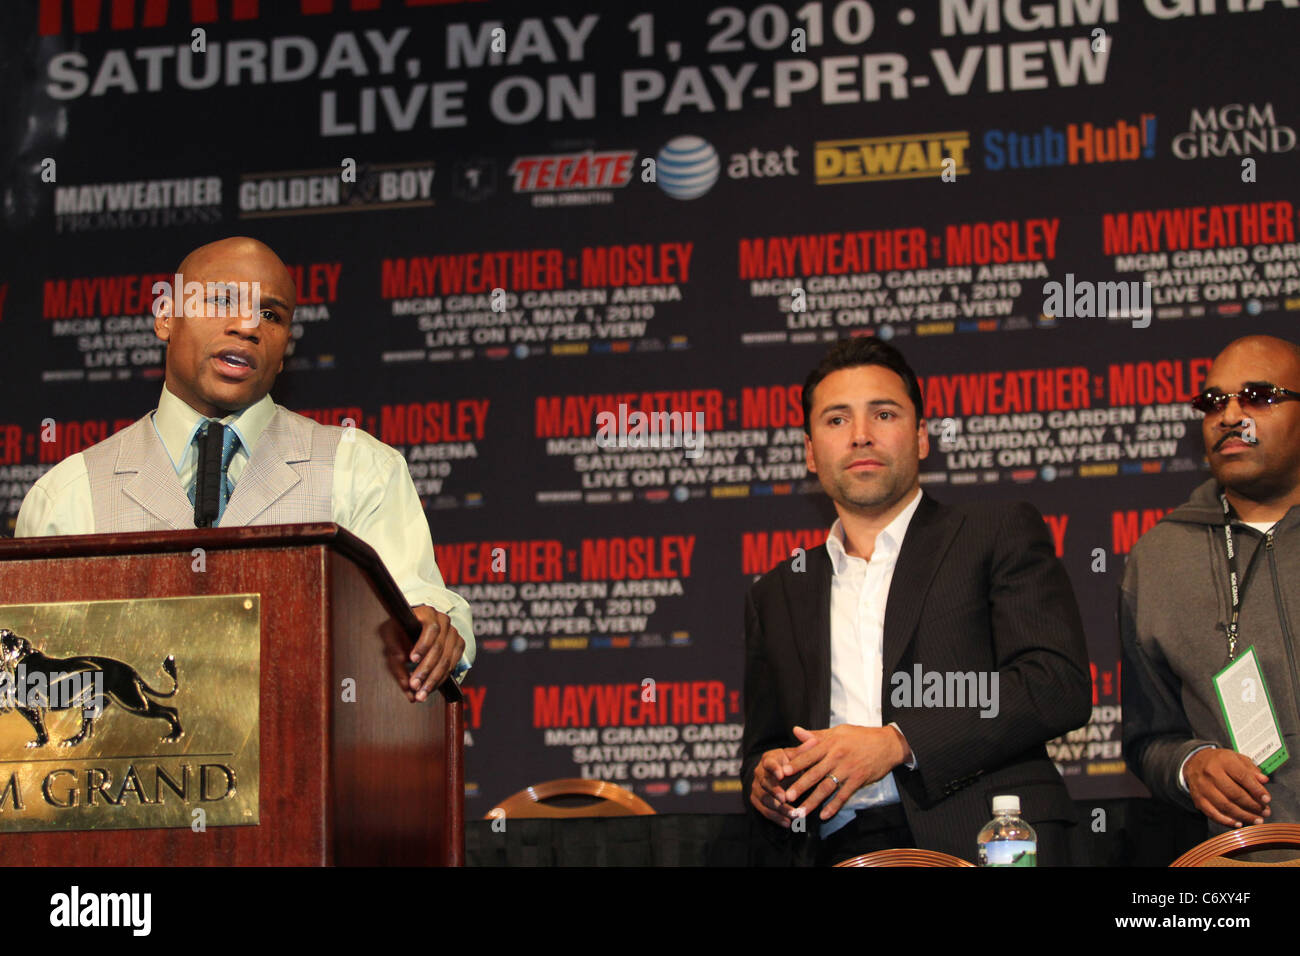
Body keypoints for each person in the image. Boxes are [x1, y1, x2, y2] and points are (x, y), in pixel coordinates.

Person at [16, 237, 472, 696]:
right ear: (166, 317)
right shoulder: (70, 495)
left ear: (284, 350)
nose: (248, 326)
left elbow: (425, 616)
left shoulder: (359, 470)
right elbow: (39, 679)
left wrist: (431, 632)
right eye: (220, 300)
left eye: (271, 315)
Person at [742, 338, 1091, 865]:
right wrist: (766, 778)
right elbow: (762, 746)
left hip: (988, 838)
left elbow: (1055, 683)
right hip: (833, 850)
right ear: (810, 450)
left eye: (883, 414)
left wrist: (898, 742)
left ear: (922, 436)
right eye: (836, 420)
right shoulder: (776, 592)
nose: (861, 435)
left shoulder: (994, 533)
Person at [1122, 334, 1300, 833]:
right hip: (1253, 857)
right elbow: (1147, 737)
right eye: (1212, 402)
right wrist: (1190, 764)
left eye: (1259, 397)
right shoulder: (1158, 558)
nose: (1229, 416)